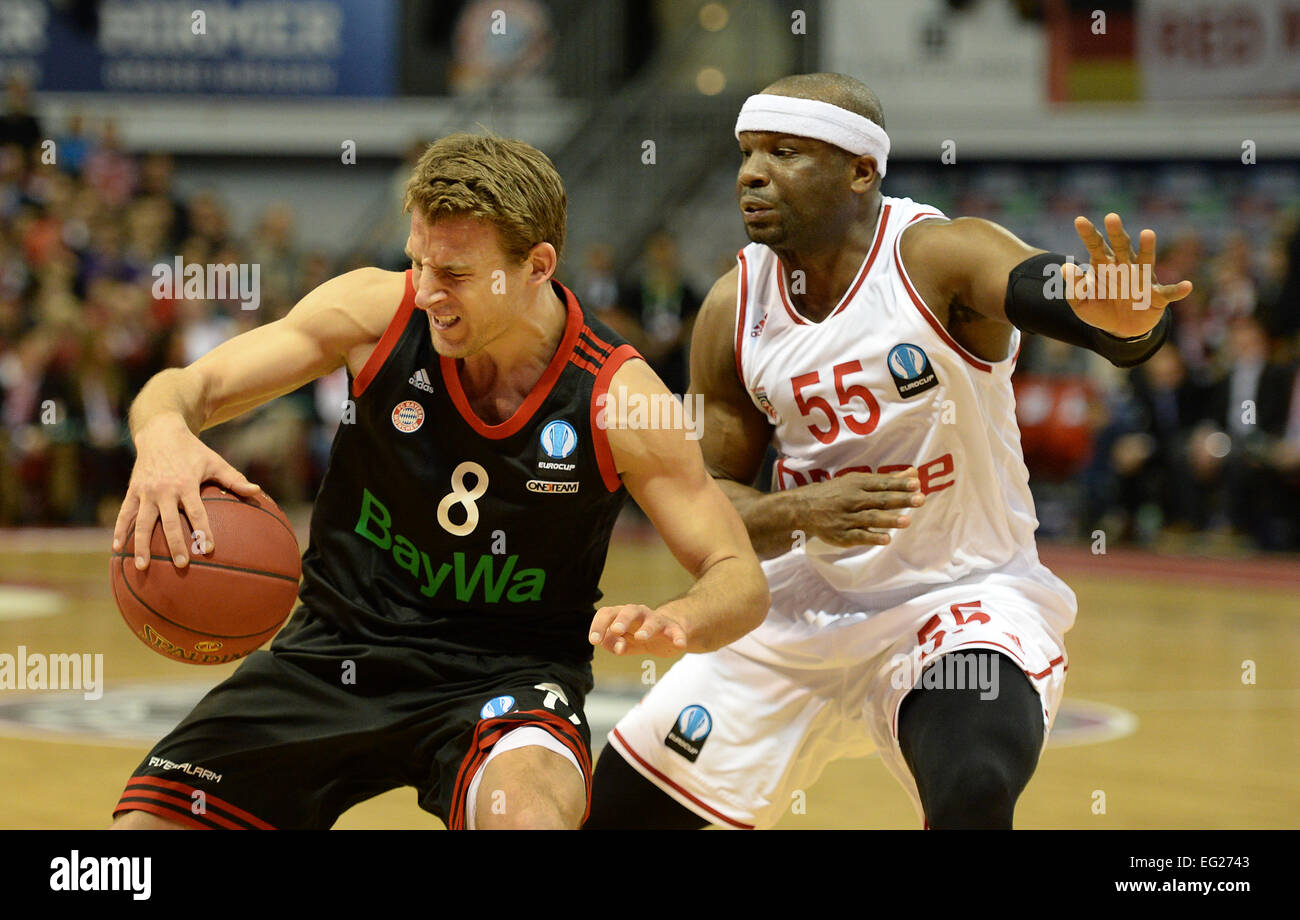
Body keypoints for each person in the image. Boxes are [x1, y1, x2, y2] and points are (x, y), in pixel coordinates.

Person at [108, 133, 768, 830]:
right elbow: (191, 386)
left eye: (453, 274)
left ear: (537, 266)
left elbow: (739, 578)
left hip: (506, 679)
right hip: (331, 652)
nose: (424, 291)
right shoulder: (374, 313)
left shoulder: (619, 398)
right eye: (416, 261)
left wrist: (681, 621)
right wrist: (162, 438)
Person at [585, 73, 1192, 830]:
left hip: (960, 598)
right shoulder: (732, 309)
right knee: (612, 812)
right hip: (799, 609)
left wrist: (1124, 324)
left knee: (972, 784)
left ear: (860, 170)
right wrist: (802, 511)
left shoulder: (939, 256)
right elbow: (704, 509)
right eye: (746, 152)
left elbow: (1053, 292)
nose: (751, 172)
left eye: (784, 151)